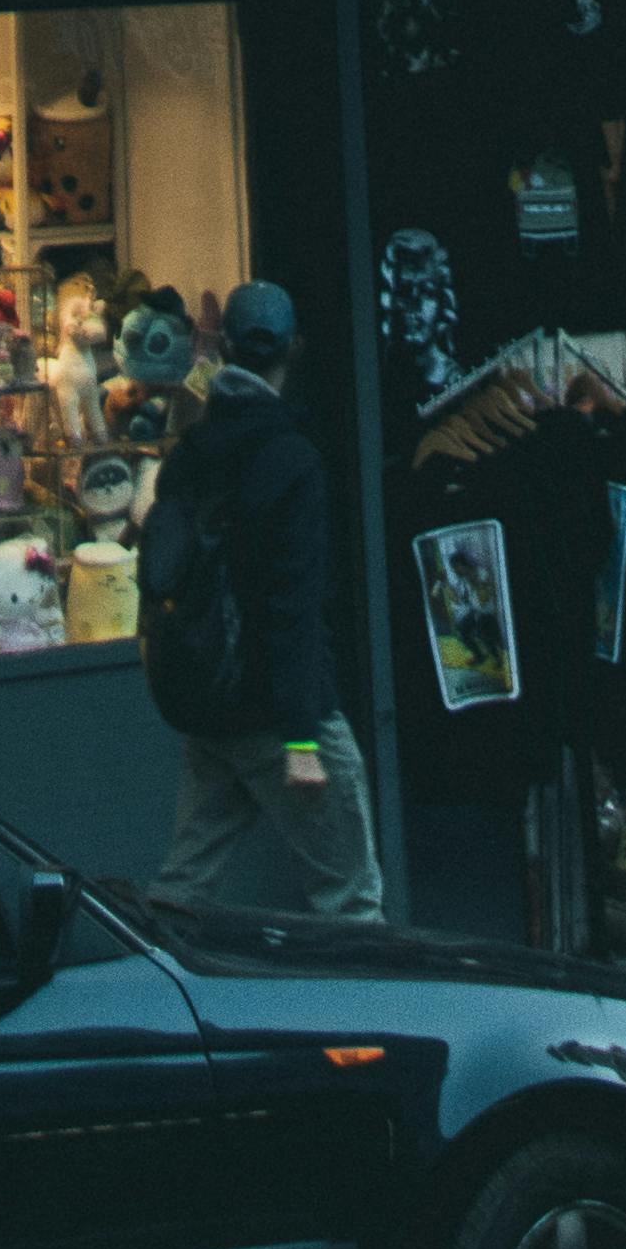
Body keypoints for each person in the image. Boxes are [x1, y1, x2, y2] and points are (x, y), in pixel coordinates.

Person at [137, 274, 382, 920]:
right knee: (353, 903)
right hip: (279, 714)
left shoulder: (190, 453)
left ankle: (152, 976)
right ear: (293, 349)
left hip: (212, 705)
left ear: (223, 348)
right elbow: (292, 605)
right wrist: (302, 741)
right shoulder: (292, 459)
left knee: (181, 892)